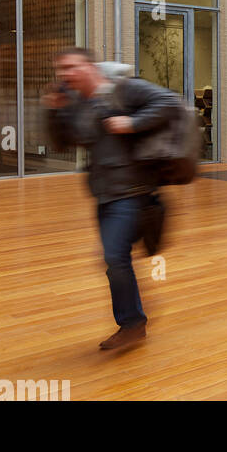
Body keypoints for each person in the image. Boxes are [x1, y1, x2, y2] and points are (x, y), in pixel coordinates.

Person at [44, 49, 174, 350]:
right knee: (115, 259)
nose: (64, 74)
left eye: (70, 67)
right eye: (60, 69)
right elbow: (61, 142)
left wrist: (132, 123)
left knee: (115, 256)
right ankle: (133, 314)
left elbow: (168, 102)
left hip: (132, 193)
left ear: (88, 66)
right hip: (104, 194)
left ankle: (133, 323)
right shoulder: (79, 103)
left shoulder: (125, 89)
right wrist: (54, 110)